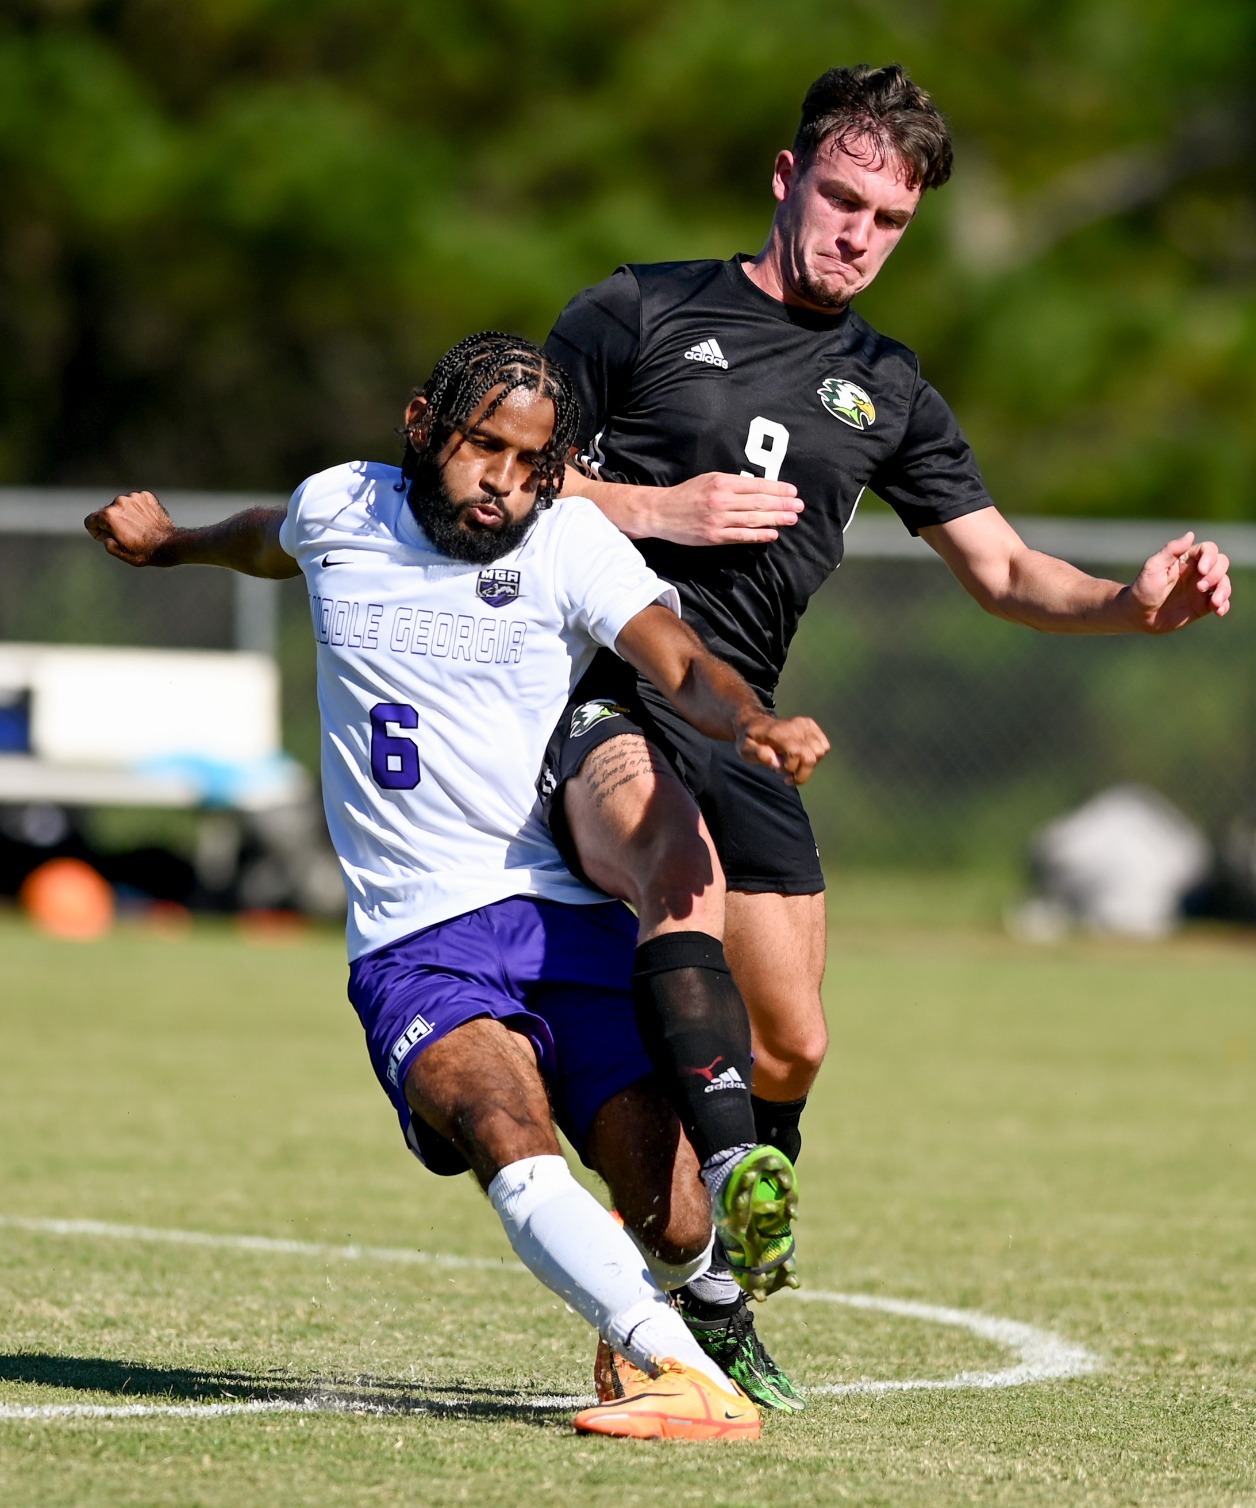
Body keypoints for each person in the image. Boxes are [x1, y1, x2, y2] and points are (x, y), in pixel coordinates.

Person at [541, 63, 1234, 1398]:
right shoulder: (638, 309)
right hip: (609, 690)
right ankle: (666, 1297)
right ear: (785, 178)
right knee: (673, 880)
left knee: (793, 1042)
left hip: (744, 723)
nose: (860, 235)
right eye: (843, 199)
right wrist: (656, 511)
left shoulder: (888, 387)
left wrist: (1135, 606)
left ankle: (722, 1280)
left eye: (891, 220)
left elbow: (1009, 574)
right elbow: (503, 476)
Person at [85, 332, 829, 1439]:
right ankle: (679, 1369)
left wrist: (749, 716)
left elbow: (675, 656)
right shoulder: (339, 505)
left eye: (533, 462)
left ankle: (682, 1272)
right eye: (487, 447)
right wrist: (167, 544)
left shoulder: (568, 538)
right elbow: (263, 540)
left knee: (673, 1217)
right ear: (422, 423)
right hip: (414, 934)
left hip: (562, 923)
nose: (505, 483)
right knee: (497, 1116)